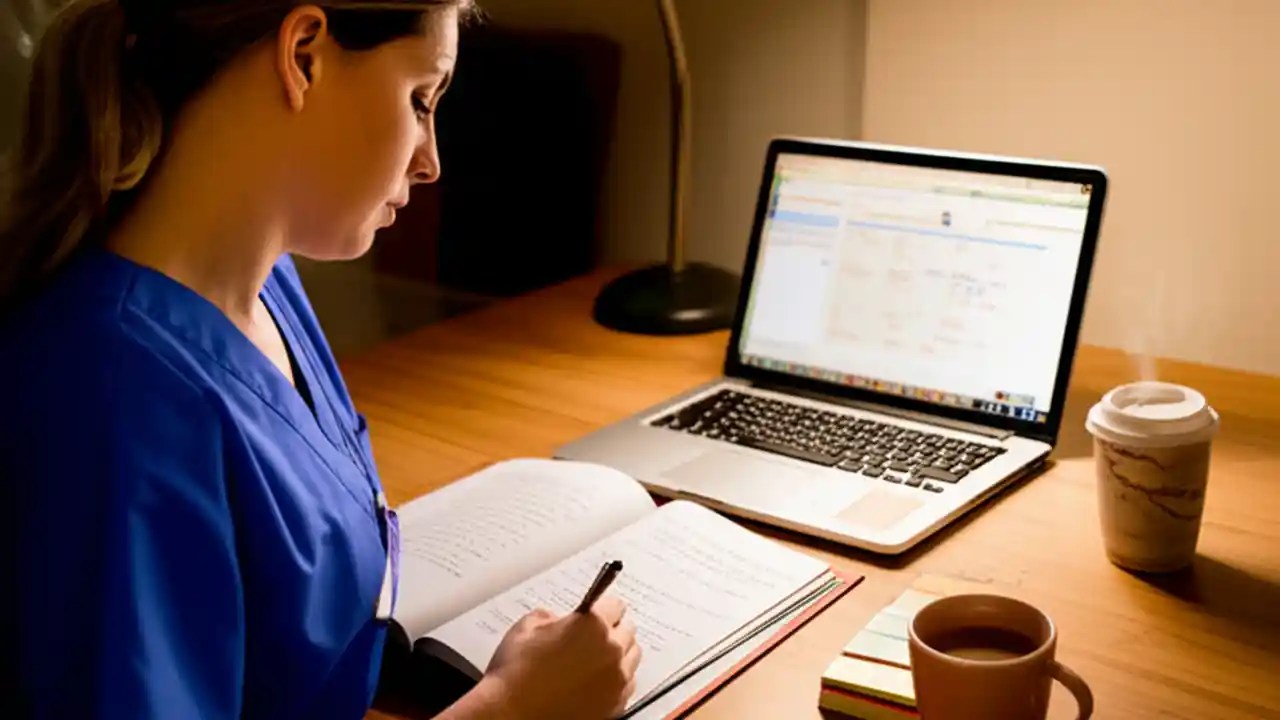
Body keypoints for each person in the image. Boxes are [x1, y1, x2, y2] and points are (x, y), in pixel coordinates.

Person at [0, 1, 641, 718]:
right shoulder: (115, 403)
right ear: (304, 54)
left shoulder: (266, 286)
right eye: (420, 98)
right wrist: (513, 707)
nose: (431, 161)